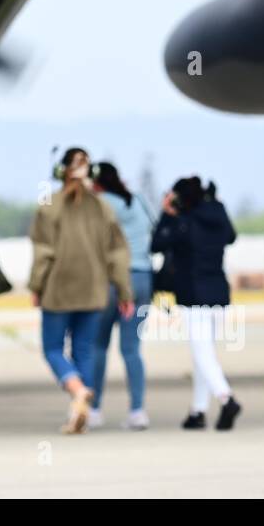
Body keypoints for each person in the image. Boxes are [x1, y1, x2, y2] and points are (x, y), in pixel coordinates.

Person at [28, 147, 133, 434]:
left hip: (58, 289)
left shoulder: (49, 205)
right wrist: (124, 292)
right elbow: (118, 254)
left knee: (52, 348)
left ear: (60, 171)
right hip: (94, 290)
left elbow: (43, 252)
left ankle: (76, 390)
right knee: (84, 350)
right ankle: (83, 406)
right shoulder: (103, 207)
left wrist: (36, 286)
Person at [151, 176, 242, 431]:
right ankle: (198, 411)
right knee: (204, 356)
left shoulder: (184, 221)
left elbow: (157, 243)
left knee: (203, 354)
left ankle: (226, 399)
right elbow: (231, 236)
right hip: (219, 295)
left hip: (193, 296)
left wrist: (167, 214)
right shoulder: (218, 214)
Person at [91, 162, 154, 430]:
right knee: (131, 349)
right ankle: (138, 410)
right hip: (142, 277)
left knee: (97, 346)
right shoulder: (138, 199)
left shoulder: (101, 202)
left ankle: (93, 409)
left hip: (111, 279)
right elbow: (154, 226)